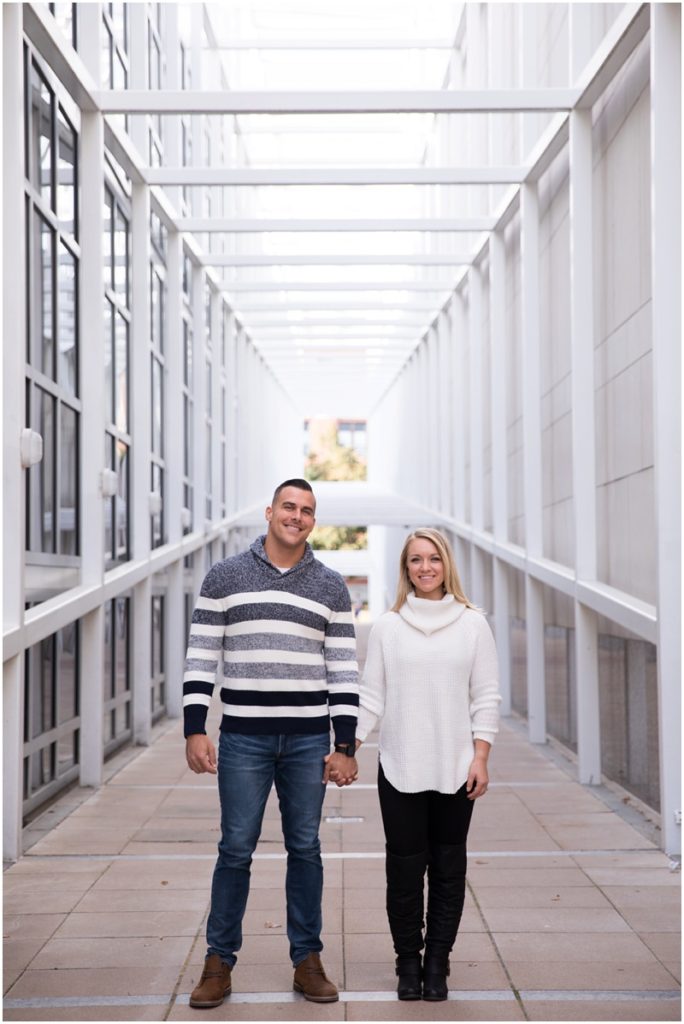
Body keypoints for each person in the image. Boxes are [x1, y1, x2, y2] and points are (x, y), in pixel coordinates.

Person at [183, 478, 359, 1009]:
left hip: (308, 740)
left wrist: (345, 745)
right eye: (288, 506)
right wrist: (195, 728)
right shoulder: (225, 576)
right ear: (269, 512)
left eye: (306, 510)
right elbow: (201, 655)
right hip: (244, 738)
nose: (296, 516)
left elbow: (343, 669)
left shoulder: (331, 586)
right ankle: (218, 963)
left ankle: (308, 961)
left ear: (313, 521)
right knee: (235, 849)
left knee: (305, 848)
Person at [355, 528, 500, 1002]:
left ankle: (437, 962)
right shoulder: (389, 627)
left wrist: (481, 756)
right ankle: (407, 963)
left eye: (433, 558)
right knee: (403, 873)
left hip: (457, 768)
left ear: (446, 565)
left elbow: (486, 695)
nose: (425, 567)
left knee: (448, 870)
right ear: (406, 569)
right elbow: (372, 695)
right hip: (400, 766)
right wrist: (347, 746)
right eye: (416, 560)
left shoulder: (473, 624)